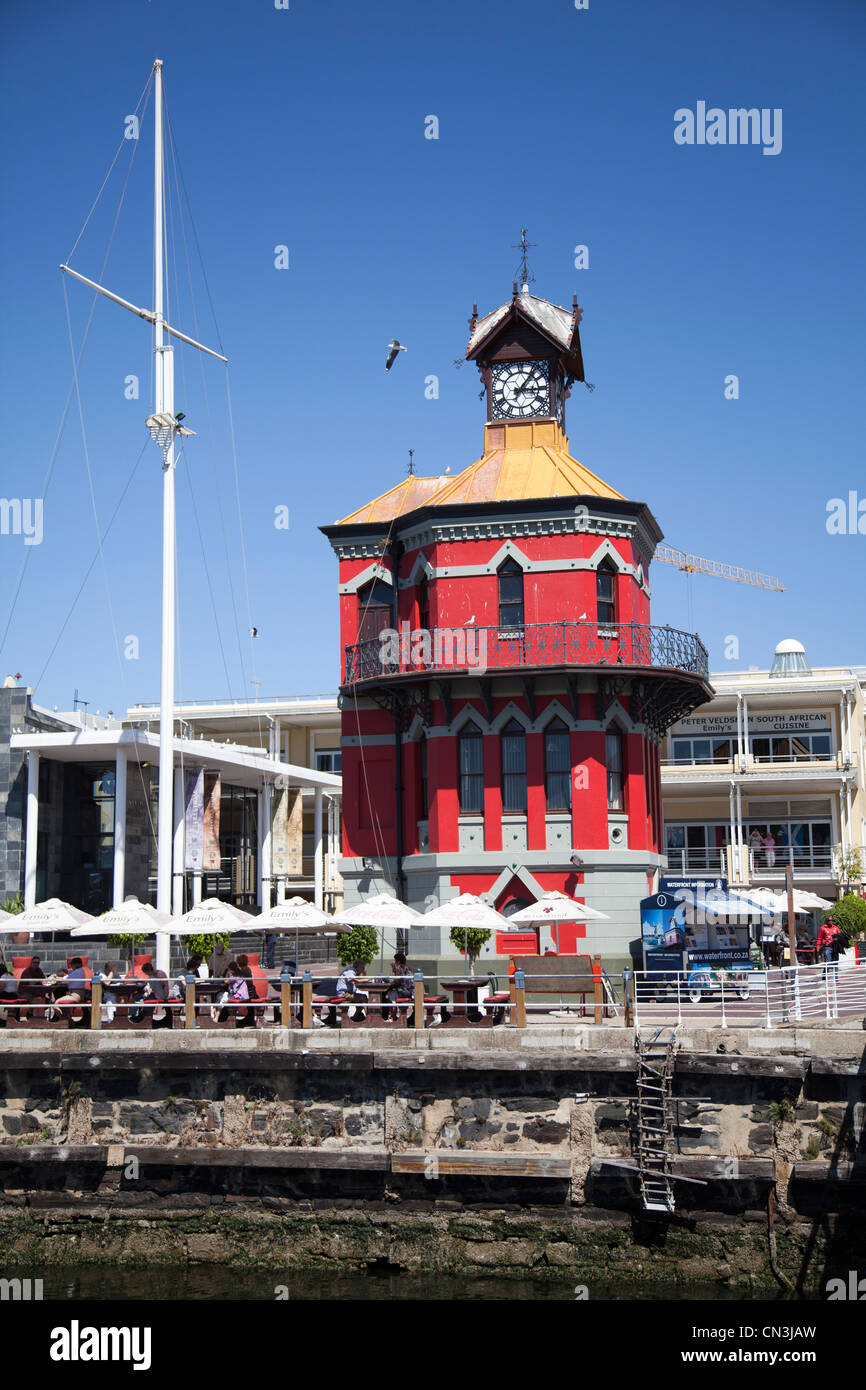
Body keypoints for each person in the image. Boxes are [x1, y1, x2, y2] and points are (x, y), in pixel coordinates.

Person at [130, 960, 171, 1028]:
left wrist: (148, 987)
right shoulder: (153, 975)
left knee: (141, 998)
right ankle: (137, 1016)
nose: (147, 975)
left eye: (146, 973)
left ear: (148, 970)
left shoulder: (159, 974)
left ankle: (140, 1017)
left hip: (161, 994)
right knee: (137, 997)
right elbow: (149, 983)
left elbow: (161, 984)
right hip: (156, 994)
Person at [52, 957, 89, 1026]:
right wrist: (64, 970)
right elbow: (70, 972)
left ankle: (64, 1019)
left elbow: (65, 980)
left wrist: (56, 978)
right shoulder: (80, 971)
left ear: (75, 964)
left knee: (56, 1002)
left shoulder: (78, 972)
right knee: (60, 1001)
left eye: (71, 965)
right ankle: (67, 1019)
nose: (71, 966)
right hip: (77, 994)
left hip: (75, 995)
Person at [382, 952, 414, 1022]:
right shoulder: (407, 968)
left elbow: (397, 981)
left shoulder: (399, 967)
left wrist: (394, 969)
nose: (394, 962)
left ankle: (392, 1017)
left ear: (398, 961)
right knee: (392, 992)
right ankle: (393, 1016)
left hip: (405, 991)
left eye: (395, 960)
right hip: (411, 991)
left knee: (391, 994)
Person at [336, 958, 369, 1022]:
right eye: (363, 968)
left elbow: (356, 980)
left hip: (348, 993)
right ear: (359, 967)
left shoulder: (354, 972)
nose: (363, 970)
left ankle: (355, 1017)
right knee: (363, 997)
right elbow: (353, 981)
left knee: (362, 998)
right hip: (343, 994)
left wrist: (364, 975)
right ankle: (368, 1018)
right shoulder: (351, 971)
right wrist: (366, 980)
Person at [17, 955, 47, 1021]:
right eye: (34, 962)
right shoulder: (27, 971)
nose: (36, 964)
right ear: (31, 963)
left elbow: (44, 980)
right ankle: (34, 1018)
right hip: (24, 993)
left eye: (38, 963)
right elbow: (31, 983)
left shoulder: (39, 970)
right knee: (37, 1000)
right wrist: (38, 980)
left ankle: (38, 1017)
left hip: (35, 992)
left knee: (46, 999)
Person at [235, 953, 258, 1028]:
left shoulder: (242, 970)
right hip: (250, 992)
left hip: (246, 993)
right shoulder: (247, 969)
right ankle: (249, 1019)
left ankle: (249, 1019)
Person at [100, 960, 119, 1025]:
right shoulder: (101, 974)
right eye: (110, 970)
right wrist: (111, 973)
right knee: (110, 999)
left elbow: (120, 981)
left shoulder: (115, 974)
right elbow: (107, 983)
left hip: (115, 993)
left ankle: (119, 1018)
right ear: (106, 969)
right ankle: (110, 1019)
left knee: (119, 998)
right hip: (101, 995)